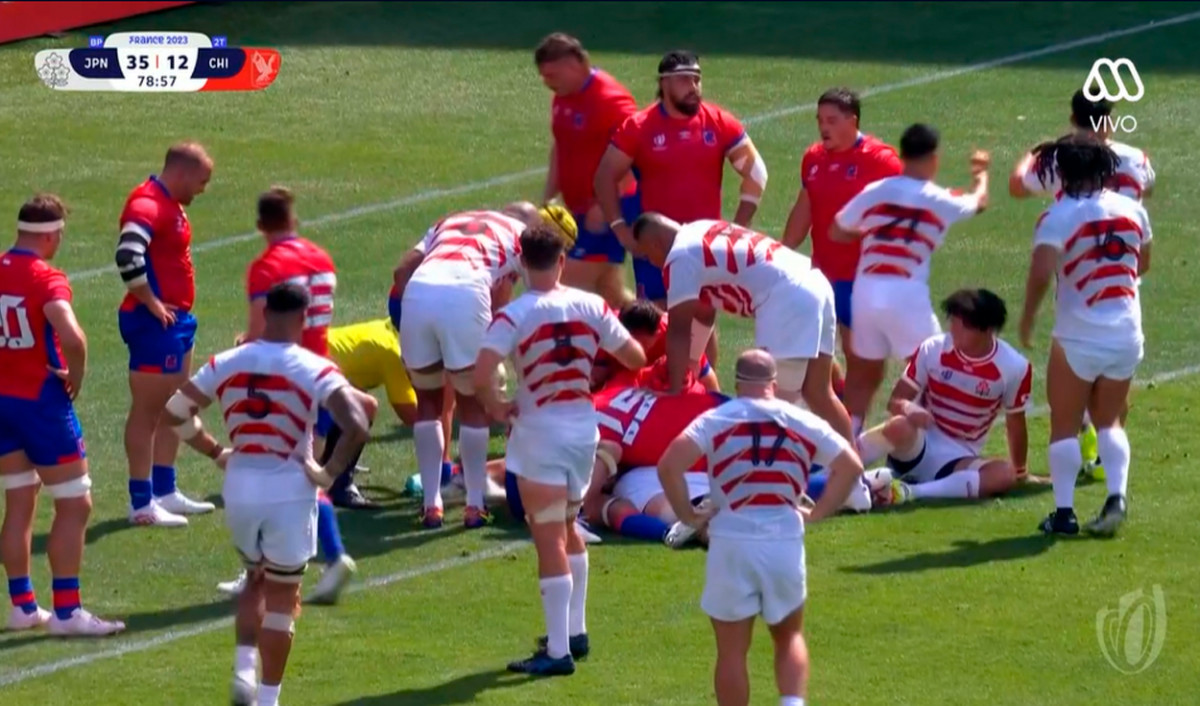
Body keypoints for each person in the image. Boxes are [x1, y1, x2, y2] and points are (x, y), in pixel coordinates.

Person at [162, 282, 372, 706]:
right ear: (302, 318)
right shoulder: (313, 367)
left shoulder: (227, 361)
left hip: (240, 485)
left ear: (264, 313)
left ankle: (243, 667)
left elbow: (175, 412)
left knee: (253, 578)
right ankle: (268, 699)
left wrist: (217, 451)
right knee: (282, 598)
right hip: (290, 489)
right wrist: (328, 472)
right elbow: (358, 422)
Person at [473, 224, 646, 676]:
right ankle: (575, 631)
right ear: (562, 261)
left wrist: (497, 405)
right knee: (569, 525)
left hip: (540, 430)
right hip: (583, 428)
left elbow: (482, 370)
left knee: (547, 536)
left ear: (523, 262)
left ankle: (556, 651)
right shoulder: (591, 305)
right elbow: (634, 356)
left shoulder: (515, 315)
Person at [656, 349, 864, 706]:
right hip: (784, 538)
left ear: (737, 382)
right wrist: (818, 514)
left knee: (732, 651)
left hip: (730, 540)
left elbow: (669, 465)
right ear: (774, 383)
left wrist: (688, 516)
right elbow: (851, 466)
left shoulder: (715, 419)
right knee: (789, 636)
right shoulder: (800, 419)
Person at [393, 203, 577, 529]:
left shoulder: (449, 219)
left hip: (418, 292)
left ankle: (431, 504)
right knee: (473, 403)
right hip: (467, 290)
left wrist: (416, 314)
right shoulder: (521, 236)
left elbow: (401, 272)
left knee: (429, 404)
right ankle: (475, 505)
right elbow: (532, 301)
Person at [217, 188, 361, 604]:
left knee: (276, 472)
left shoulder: (266, 267)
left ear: (261, 225)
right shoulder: (321, 257)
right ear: (293, 219)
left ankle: (330, 557)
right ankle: (261, 570)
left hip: (283, 380)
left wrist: (244, 347)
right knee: (299, 470)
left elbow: (260, 327)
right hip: (320, 371)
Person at [1009, 89, 1156, 480]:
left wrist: (1033, 151)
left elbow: (1018, 185)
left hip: (1078, 275)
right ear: (1109, 117)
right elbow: (1149, 189)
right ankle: (1107, 456)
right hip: (1123, 275)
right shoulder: (1136, 158)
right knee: (1114, 383)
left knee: (1070, 384)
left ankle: (1078, 465)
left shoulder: (1062, 159)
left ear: (1072, 118)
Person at [595, 48, 767, 371]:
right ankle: (662, 387)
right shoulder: (640, 127)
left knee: (703, 315)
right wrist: (620, 228)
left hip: (703, 248)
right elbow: (604, 176)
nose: (693, 86)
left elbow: (756, 174)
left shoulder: (718, 122)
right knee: (657, 319)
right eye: (685, 80)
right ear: (664, 84)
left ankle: (703, 390)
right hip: (656, 247)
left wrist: (736, 229)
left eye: (697, 78)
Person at [0, 194, 125, 636]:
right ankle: (68, 613)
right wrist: (76, 376)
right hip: (40, 402)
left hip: (2, 403)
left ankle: (23, 607)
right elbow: (72, 336)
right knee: (75, 503)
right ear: (51, 235)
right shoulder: (46, 277)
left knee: (19, 500)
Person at [631, 215, 853, 444]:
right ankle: (855, 473)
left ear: (655, 244)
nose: (652, 262)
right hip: (814, 281)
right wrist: (693, 365)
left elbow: (678, 329)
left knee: (770, 407)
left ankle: (781, 474)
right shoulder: (699, 228)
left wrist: (675, 391)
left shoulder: (680, 257)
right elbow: (705, 312)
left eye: (648, 255)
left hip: (786, 298)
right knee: (819, 393)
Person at [829, 124, 990, 438]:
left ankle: (848, 443)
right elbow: (978, 202)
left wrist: (872, 232)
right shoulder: (938, 198)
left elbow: (836, 230)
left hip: (865, 292)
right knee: (935, 367)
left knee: (863, 375)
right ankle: (933, 444)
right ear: (934, 158)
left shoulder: (877, 190)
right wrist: (980, 173)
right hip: (905, 294)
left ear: (901, 155)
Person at [781, 88, 903, 411]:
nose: (824, 128)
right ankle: (842, 401)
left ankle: (854, 422)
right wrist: (781, 252)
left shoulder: (880, 161)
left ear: (853, 121)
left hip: (864, 278)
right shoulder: (814, 159)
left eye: (832, 120)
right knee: (808, 345)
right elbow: (805, 207)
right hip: (823, 273)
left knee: (858, 353)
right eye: (820, 120)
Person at [115, 142, 217, 527]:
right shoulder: (147, 204)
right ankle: (141, 503)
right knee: (148, 411)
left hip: (176, 323)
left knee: (177, 406)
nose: (202, 189)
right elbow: (128, 255)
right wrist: (152, 302)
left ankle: (165, 490)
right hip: (154, 324)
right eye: (202, 181)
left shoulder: (168, 204)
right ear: (183, 173)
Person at [862, 289, 1032, 506]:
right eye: (953, 322)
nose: (953, 330)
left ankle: (908, 491)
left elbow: (1015, 423)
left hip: (958, 459)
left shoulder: (1014, 367)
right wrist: (908, 408)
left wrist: (1021, 471)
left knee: (1003, 474)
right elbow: (896, 400)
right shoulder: (933, 349)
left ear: (987, 329)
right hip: (917, 445)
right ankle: (840, 470)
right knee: (899, 425)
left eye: (962, 325)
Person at [535, 32, 641, 308]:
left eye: (552, 75)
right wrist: (548, 197)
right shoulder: (564, 95)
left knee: (563, 287)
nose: (547, 83)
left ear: (573, 65)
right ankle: (658, 331)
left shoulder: (610, 100)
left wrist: (602, 206)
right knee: (611, 292)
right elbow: (562, 145)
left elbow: (635, 157)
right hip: (578, 209)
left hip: (609, 210)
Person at [586, 386, 726, 548]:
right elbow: (614, 511)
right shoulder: (617, 386)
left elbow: (610, 452)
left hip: (710, 433)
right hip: (715, 421)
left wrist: (665, 532)